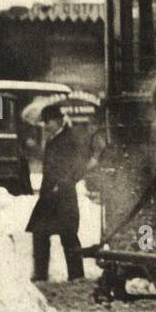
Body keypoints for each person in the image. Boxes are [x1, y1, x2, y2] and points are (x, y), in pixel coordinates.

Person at [26, 104, 92, 282]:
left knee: (68, 234)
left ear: (57, 121)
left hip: (64, 196)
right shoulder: (53, 138)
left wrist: (63, 183)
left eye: (47, 122)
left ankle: (77, 276)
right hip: (49, 195)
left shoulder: (70, 138)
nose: (45, 126)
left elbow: (79, 166)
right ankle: (40, 274)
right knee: (40, 232)